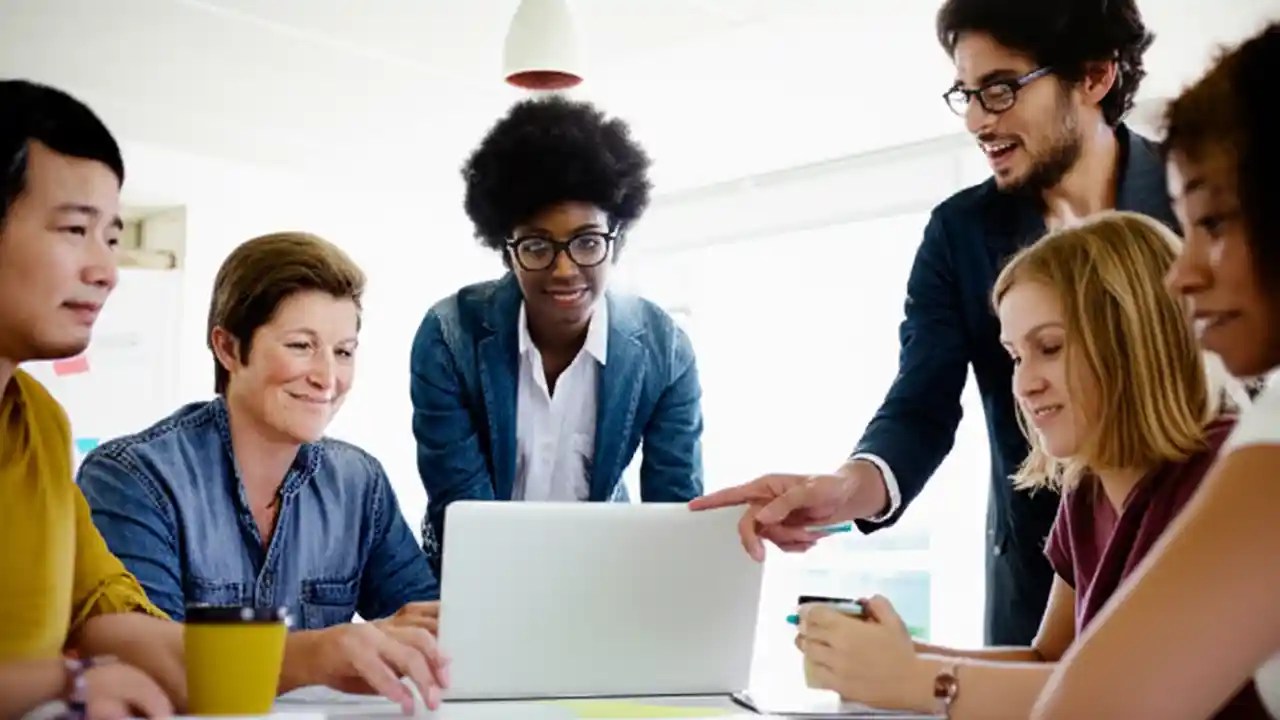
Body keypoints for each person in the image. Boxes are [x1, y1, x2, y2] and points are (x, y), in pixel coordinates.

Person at [692, 0, 1169, 644]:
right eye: (966, 94)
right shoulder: (960, 232)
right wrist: (844, 489)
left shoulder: (1201, 196)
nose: (976, 120)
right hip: (1039, 591)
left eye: (1000, 89)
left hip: (1208, 554)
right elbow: (921, 405)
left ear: (1094, 75)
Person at [795, 211, 1264, 719]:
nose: (1023, 384)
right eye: (1016, 357)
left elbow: (1134, 696)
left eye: (1050, 348)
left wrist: (913, 679)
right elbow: (1053, 661)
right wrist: (893, 659)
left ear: (1135, 339)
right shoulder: (1087, 490)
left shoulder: (1229, 474)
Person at [76, 231, 447, 713]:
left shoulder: (360, 484)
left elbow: (432, 632)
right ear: (228, 349)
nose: (328, 378)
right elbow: (147, 671)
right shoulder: (131, 479)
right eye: (301, 345)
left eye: (343, 351)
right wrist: (317, 653)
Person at [1033, 23, 1280, 720]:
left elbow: (1090, 707)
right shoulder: (1085, 494)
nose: (1183, 274)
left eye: (1216, 222)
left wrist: (930, 683)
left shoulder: (1249, 444)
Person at [410, 96, 704, 572]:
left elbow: (674, 513)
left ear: (615, 240)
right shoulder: (450, 335)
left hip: (598, 575)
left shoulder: (664, 351)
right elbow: (463, 511)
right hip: (478, 575)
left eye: (587, 242)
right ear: (507, 251)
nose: (565, 269)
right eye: (537, 245)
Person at [0, 78, 182, 720]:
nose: (105, 272)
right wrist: (63, 683)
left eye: (110, 237)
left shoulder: (39, 421)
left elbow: (101, 613)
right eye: (75, 229)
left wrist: (322, 654)